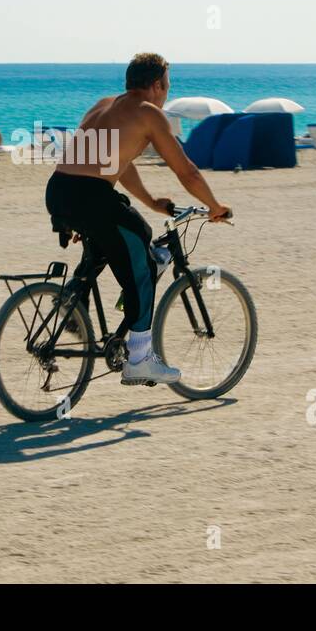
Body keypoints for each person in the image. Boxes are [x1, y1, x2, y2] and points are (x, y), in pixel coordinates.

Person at [45, 52, 231, 386]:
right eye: (168, 85)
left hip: (60, 190)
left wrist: (151, 201)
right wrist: (215, 206)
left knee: (121, 232)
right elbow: (186, 171)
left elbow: (118, 163)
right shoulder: (149, 114)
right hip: (90, 195)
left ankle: (74, 298)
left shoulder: (105, 104)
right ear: (157, 84)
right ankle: (140, 358)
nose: (168, 93)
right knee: (140, 254)